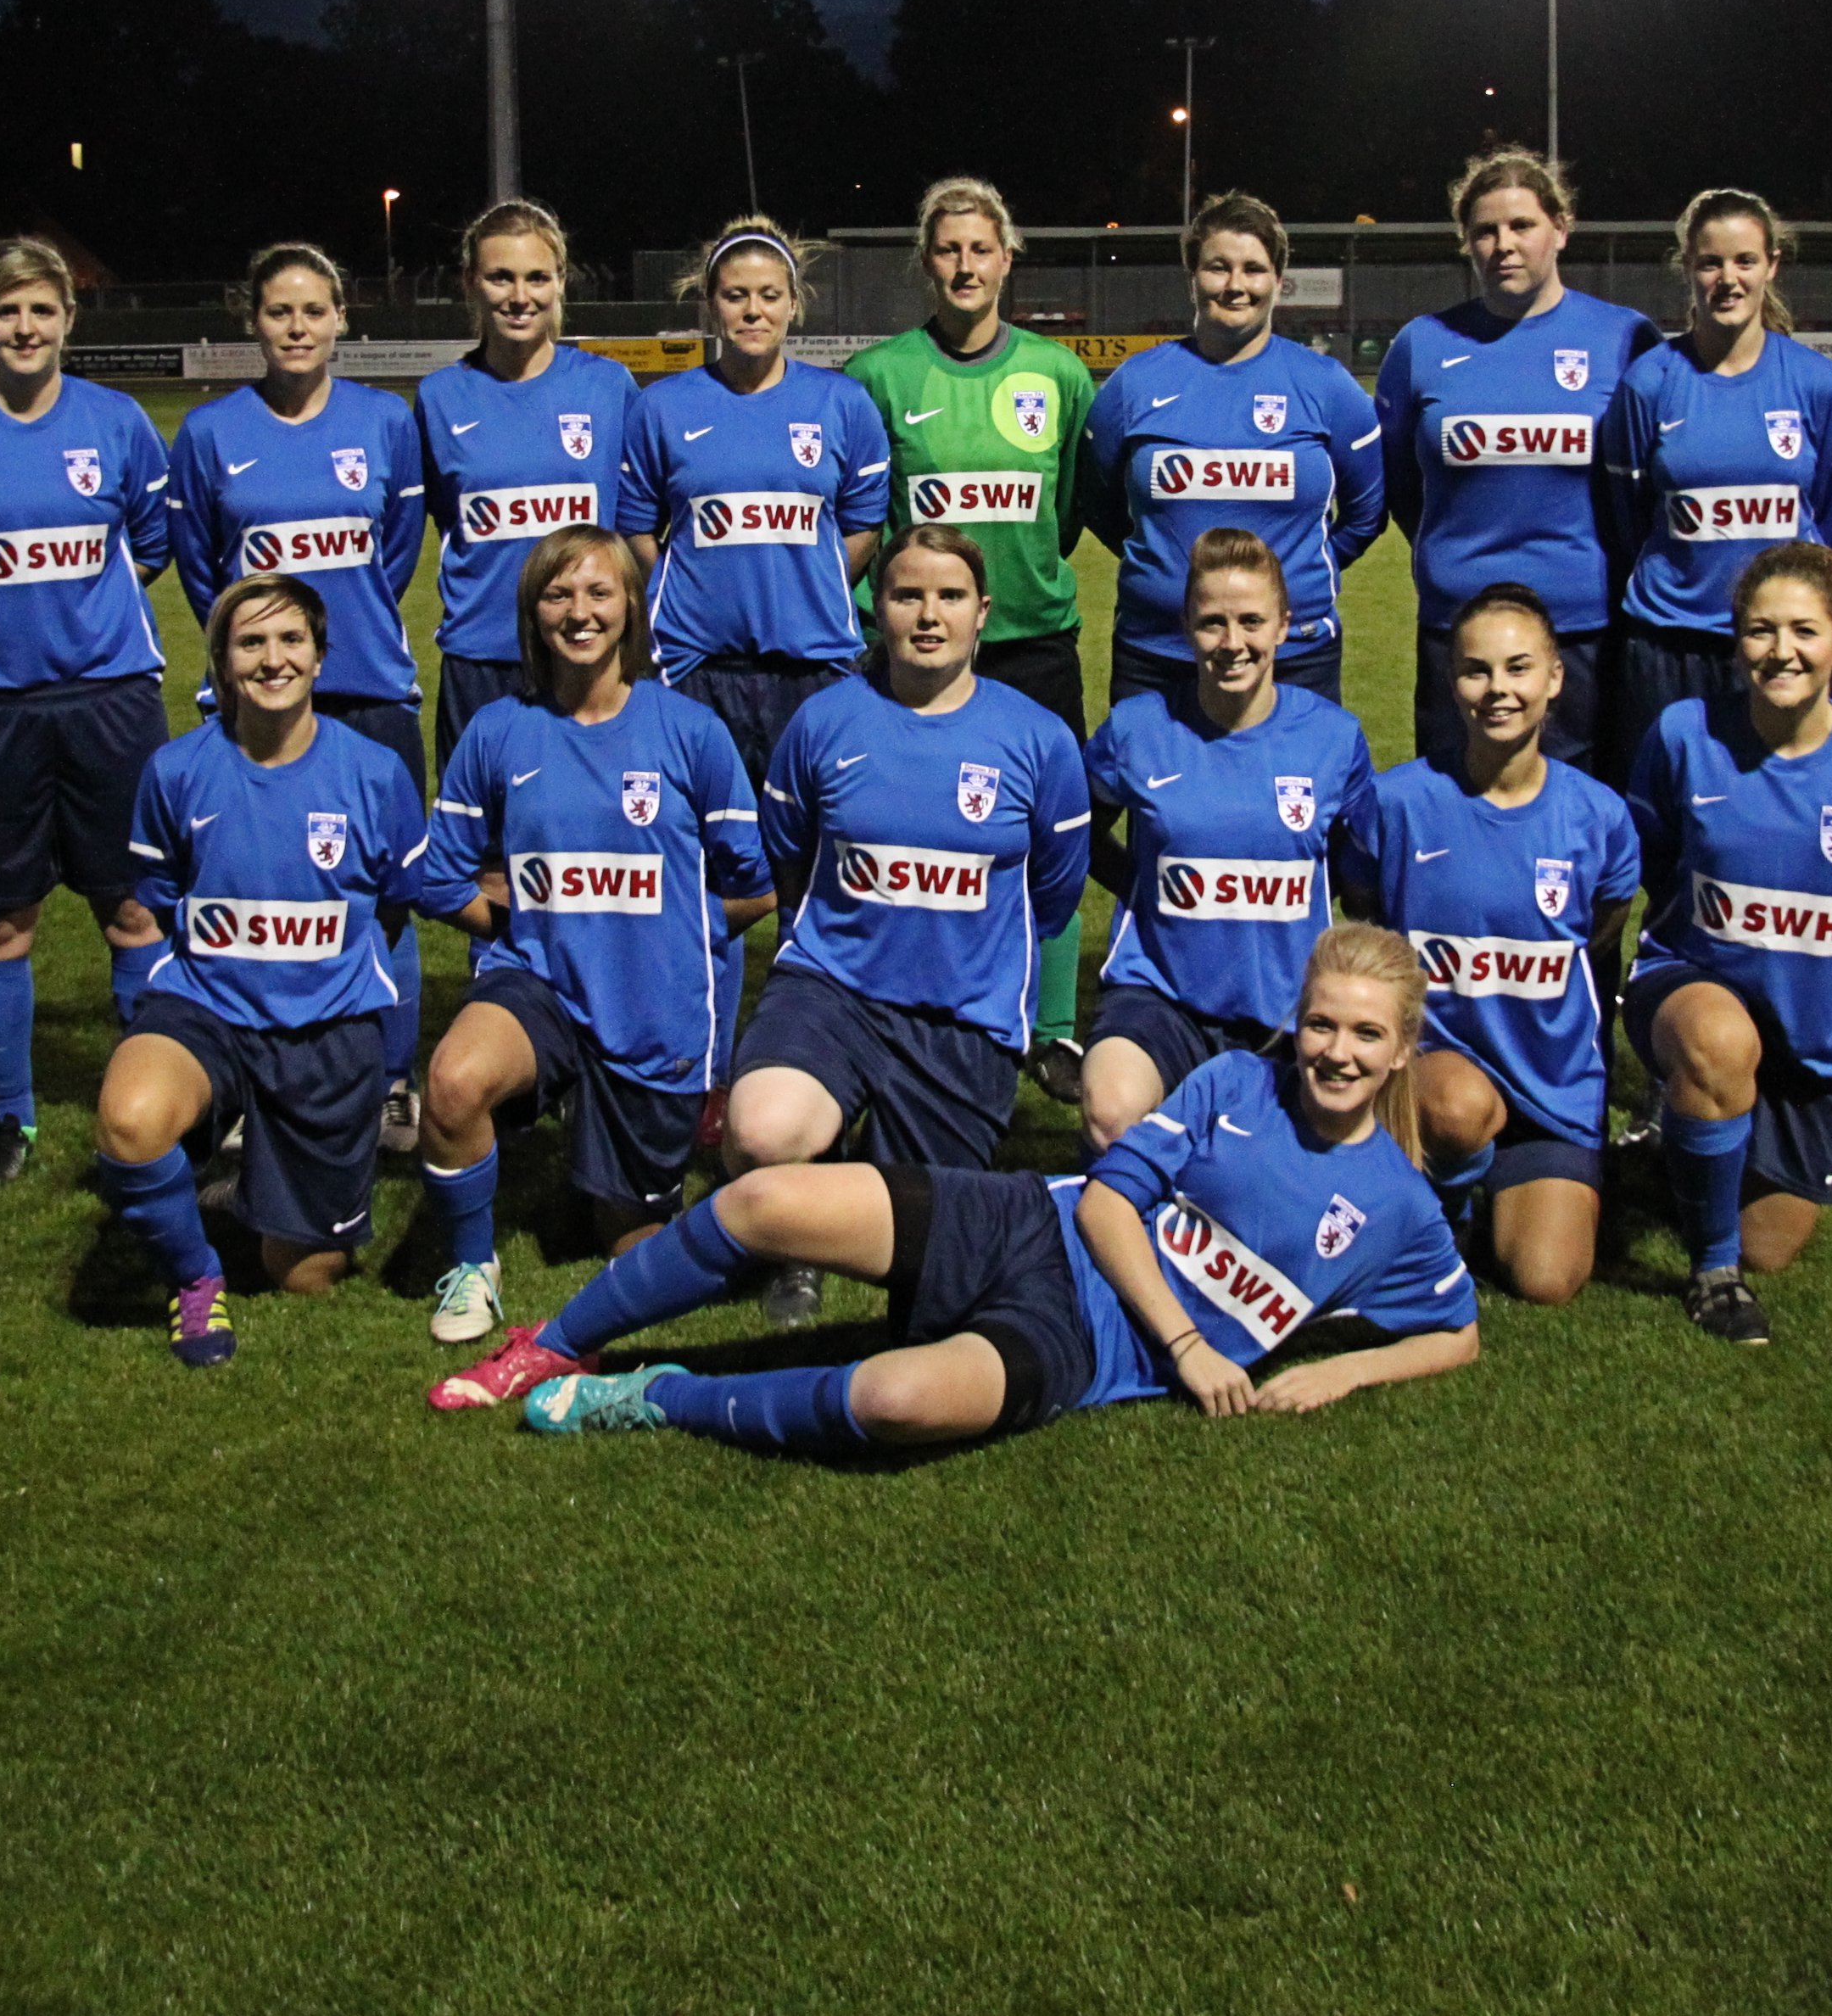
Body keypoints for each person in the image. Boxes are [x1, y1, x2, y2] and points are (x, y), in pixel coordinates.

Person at [431, 927, 1477, 1450]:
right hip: (1030, 1225)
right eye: (1321, 1024)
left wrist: (1342, 1375)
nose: (1335, 1051)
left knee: (893, 1400)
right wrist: (1192, 1345)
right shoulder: (1236, 1081)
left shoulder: (1398, 1206)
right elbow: (1107, 1204)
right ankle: (551, 1343)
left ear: (1403, 1051)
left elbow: (1457, 1332)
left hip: (1079, 1348)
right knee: (761, 1200)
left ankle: (654, 1396)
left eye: (1365, 1034)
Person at [415, 528, 775, 1344]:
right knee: (453, 1083)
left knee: (632, 1247)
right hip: (535, 978)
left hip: (650, 1002)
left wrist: (672, 929)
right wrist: (529, 923)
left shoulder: (690, 731)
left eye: (598, 592)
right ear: (532, 612)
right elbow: (439, 879)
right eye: (558, 594)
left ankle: (669, 1199)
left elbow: (754, 886)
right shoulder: (498, 730)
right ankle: (471, 1267)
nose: (579, 612)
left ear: (631, 608)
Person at [724, 526, 1089, 1326]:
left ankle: (844, 1174)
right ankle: (794, 1243)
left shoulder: (1038, 739)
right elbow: (788, 857)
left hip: (964, 1014)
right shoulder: (823, 723)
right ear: (877, 607)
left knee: (927, 1264)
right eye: (907, 596)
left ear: (981, 612)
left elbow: (1054, 891)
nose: (929, 616)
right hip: (835, 989)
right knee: (760, 1131)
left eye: (949, 597)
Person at [0, 237, 177, 1189]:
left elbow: (153, 542)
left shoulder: (118, 422)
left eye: (41, 309)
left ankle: (149, 1103)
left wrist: (80, 622)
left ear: (67, 320)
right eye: (7, 311)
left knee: (134, 910)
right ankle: (10, 1118)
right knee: (1, 922)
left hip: (110, 698)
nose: (24, 328)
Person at [92, 575, 427, 1365]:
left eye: (290, 640)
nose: (273, 659)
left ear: (319, 656)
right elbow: (163, 898)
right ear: (220, 661)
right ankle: (196, 1276)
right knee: (129, 1123)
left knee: (304, 1276)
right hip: (206, 1010)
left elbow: (393, 907)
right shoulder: (176, 771)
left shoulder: (376, 773)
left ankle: (259, 1190)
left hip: (328, 1031)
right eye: (250, 642)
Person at [1622, 543, 1832, 1345]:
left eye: (1804, 630)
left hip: (1815, 1038)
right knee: (1717, 1043)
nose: (1781, 651)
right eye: (1760, 630)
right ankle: (1712, 1274)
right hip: (1689, 986)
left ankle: (1678, 1143)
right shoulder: (1683, 736)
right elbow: (1653, 861)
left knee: (1771, 1245)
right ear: (1736, 642)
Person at [169, 241, 431, 1157]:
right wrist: (261, 658)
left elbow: (396, 551)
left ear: (341, 317)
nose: (296, 327)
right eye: (279, 311)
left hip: (369, 694)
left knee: (387, 901)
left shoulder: (385, 421)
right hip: (255, 709)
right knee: (258, 891)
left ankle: (391, 1081)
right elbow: (202, 573)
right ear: (252, 320)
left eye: (314, 310)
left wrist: (335, 639)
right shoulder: (209, 433)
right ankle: (248, 1079)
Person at [846, 177, 1101, 1105]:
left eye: (980, 249)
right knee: (916, 833)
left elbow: (1067, 509)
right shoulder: (877, 376)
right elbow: (863, 512)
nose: (965, 265)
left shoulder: (1059, 376)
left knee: (1049, 830)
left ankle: (1055, 1027)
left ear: (1006, 258)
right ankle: (906, 1004)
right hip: (915, 651)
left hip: (1030, 640)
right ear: (927, 261)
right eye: (948, 249)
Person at [1338, 585, 1643, 1304]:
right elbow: (1365, 914)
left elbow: (1602, 928)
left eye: (1518, 668)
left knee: (1547, 1279)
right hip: (1439, 1077)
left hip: (1551, 1086)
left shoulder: (1597, 817)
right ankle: (1445, 1214)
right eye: (1476, 670)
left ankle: (1499, 1182)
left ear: (1554, 678)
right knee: (1457, 1107)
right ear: (1452, 682)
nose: (1497, 689)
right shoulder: (1397, 803)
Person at [1077, 528, 1378, 1159]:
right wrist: (1137, 884)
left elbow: (1360, 881)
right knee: (1111, 1113)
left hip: (1290, 1010)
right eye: (1212, 622)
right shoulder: (1138, 730)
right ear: (1185, 627)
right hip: (1160, 997)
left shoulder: (1333, 739)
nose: (1232, 642)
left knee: (1278, 1168)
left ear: (1283, 626)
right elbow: (1073, 834)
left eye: (1251, 622)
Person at [1375, 149, 1653, 771]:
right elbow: (1398, 481)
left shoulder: (1624, 338)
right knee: (1457, 804)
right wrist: (1452, 554)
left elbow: (1647, 483)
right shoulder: (1422, 344)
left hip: (1582, 629)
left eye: (1522, 225)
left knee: (1581, 809)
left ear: (1561, 228)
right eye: (1485, 231)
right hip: (1459, 627)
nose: (1504, 244)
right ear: (1466, 242)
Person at [1597, 187, 1832, 783]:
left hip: (1782, 648)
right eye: (1710, 263)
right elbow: (1628, 520)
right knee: (1666, 818)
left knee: (1788, 804)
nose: (1728, 279)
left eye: (1745, 261)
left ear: (1772, 266)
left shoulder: (1817, 383)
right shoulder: (1649, 384)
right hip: (1671, 645)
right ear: (1687, 269)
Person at [617, 214, 891, 785]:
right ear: (710, 305)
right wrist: (679, 588)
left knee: (809, 832)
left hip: (814, 666)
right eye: (735, 295)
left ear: (793, 304)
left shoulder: (842, 403)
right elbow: (636, 527)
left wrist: (812, 583)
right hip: (695, 668)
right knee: (702, 833)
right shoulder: (662, 406)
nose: (753, 311)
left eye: (769, 295)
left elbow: (865, 522)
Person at [1083, 192, 1383, 708]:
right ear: (1192, 277)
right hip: (1158, 653)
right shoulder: (1134, 385)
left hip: (1294, 655)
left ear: (1278, 281)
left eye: (1254, 269)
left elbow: (1367, 513)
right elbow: (1095, 502)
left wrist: (1297, 575)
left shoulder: (1327, 386)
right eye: (1218, 267)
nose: (1236, 285)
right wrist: (1162, 569)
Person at [413, 201, 637, 777]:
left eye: (537, 277)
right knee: (479, 830)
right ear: (470, 282)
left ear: (560, 281)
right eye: (500, 277)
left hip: (586, 655)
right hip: (480, 661)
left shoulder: (608, 388)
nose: (519, 296)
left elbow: (637, 524)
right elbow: (427, 524)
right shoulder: (439, 398)